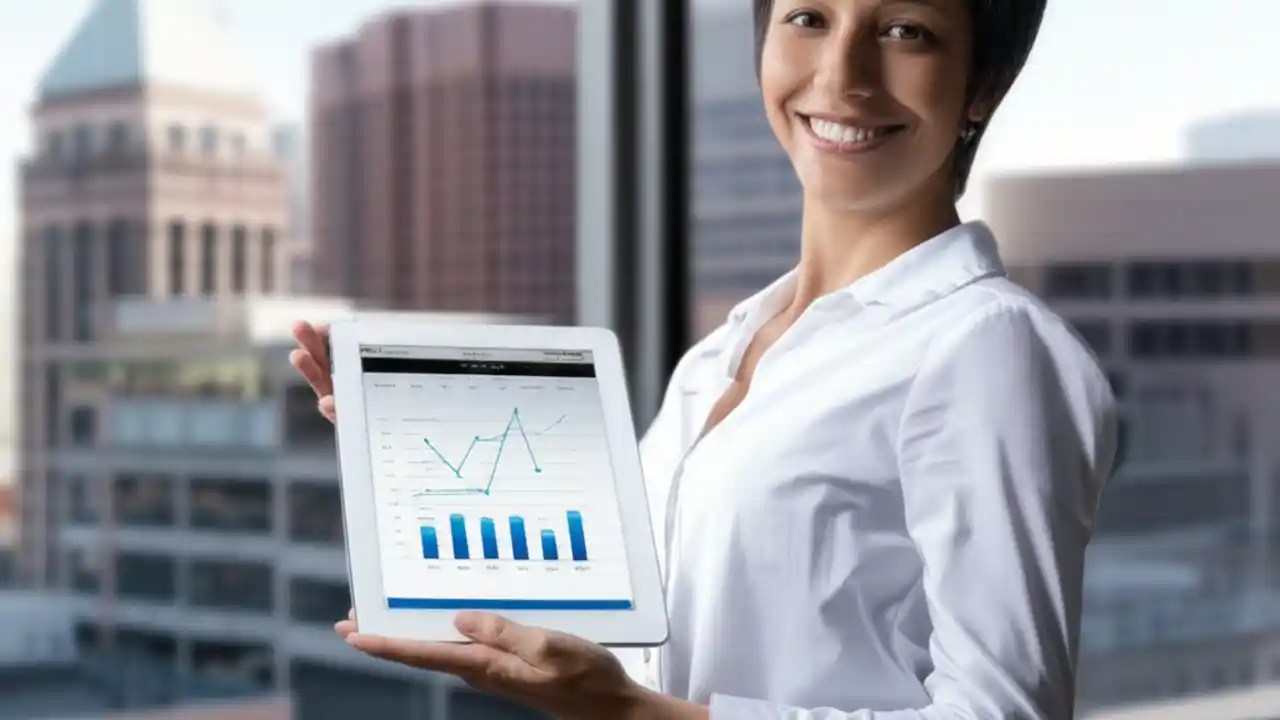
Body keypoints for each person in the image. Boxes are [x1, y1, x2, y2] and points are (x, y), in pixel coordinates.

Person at [289, 0, 1117, 717]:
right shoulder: (721, 353)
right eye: (808, 18)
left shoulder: (989, 347)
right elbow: (647, 630)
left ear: (983, 85)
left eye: (906, 31)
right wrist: (412, 457)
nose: (842, 74)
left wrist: (631, 714)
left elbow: (1003, 714)